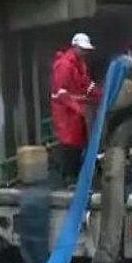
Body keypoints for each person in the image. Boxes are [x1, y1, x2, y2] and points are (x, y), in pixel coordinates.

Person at [50, 31, 99, 181]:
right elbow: (61, 93)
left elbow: (86, 84)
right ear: (75, 47)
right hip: (65, 111)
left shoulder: (80, 63)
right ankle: (68, 176)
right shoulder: (64, 65)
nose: (85, 52)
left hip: (77, 110)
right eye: (83, 49)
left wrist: (99, 94)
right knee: (70, 142)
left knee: (79, 141)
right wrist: (79, 108)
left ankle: (77, 174)